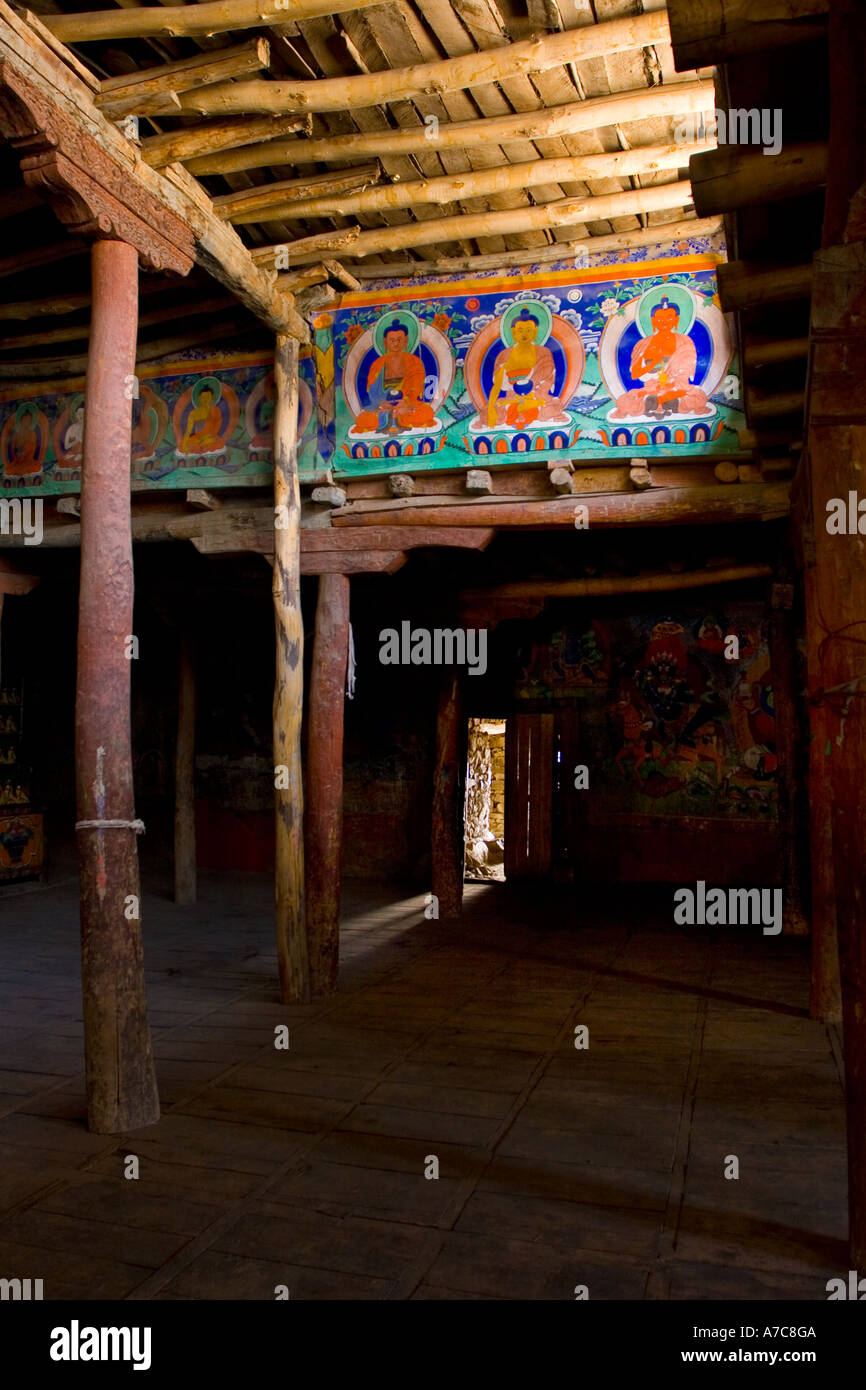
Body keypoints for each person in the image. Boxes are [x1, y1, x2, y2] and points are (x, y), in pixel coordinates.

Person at [612, 296, 709, 419]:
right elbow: (635, 374)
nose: (664, 322)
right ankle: (663, 402)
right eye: (660, 319)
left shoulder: (684, 342)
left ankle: (662, 402)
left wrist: (670, 386)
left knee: (699, 397)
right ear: (653, 321)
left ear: (676, 320)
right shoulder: (643, 344)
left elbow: (685, 374)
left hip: (677, 389)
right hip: (651, 390)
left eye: (669, 318)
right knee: (623, 401)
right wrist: (654, 363)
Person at [353, 319, 436, 433]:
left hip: (405, 407)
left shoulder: (414, 362)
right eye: (392, 340)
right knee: (363, 419)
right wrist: (381, 403)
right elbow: (372, 392)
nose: (396, 343)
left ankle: (398, 417)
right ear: (385, 341)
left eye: (399, 339)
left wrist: (406, 403)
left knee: (427, 413)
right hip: (383, 408)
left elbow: (417, 388)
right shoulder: (378, 364)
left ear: (406, 340)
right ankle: (391, 418)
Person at [486, 309, 561, 427]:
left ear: (535, 332)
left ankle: (528, 413)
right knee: (492, 411)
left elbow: (549, 378)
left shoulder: (543, 352)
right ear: (513, 333)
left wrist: (532, 394)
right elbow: (498, 385)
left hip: (536, 396)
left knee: (550, 408)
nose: (524, 334)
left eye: (529, 330)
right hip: (511, 398)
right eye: (520, 330)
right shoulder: (504, 355)